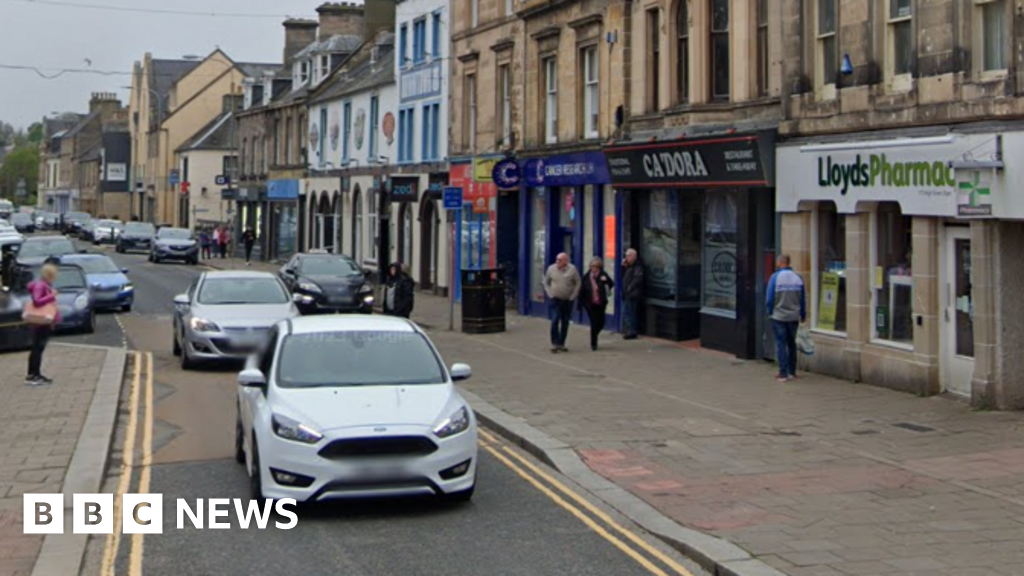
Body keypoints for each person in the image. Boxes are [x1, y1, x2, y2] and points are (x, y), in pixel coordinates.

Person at [766, 254, 806, 382]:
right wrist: (803, 314)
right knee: (791, 344)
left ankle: (783, 373)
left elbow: (770, 298)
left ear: (779, 263)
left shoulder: (775, 277)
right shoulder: (798, 278)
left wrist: (770, 311)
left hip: (779, 316)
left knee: (781, 343)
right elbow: (803, 299)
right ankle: (792, 372)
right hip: (793, 316)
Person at [26, 264, 59, 385]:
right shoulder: (41, 286)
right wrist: (52, 296)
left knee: (38, 348)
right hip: (41, 322)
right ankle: (34, 375)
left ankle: (34, 374)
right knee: (37, 348)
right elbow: (37, 301)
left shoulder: (43, 285)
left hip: (43, 321)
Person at [544, 252, 581, 353]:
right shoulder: (551, 269)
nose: (557, 262)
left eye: (560, 260)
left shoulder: (572, 269)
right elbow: (546, 282)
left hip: (567, 300)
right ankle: (554, 343)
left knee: (565, 321)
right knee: (555, 319)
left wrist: (573, 296)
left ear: (566, 261)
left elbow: (578, 282)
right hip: (555, 299)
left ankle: (561, 343)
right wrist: (549, 294)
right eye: (556, 259)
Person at [578, 256, 615, 351]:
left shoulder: (603, 275)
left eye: (596, 266)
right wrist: (580, 304)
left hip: (601, 302)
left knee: (601, 323)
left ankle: (594, 334)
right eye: (592, 266)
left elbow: (611, 283)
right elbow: (581, 291)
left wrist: (605, 282)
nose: (594, 268)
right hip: (590, 303)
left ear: (599, 267)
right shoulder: (586, 277)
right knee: (594, 323)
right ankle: (593, 344)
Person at [621, 248, 644, 340]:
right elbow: (623, 276)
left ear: (633, 256)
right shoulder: (629, 266)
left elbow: (638, 279)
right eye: (626, 256)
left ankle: (632, 331)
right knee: (627, 312)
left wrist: (630, 287)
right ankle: (629, 330)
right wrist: (623, 267)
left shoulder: (637, 266)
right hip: (627, 293)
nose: (626, 258)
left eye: (628, 256)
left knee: (630, 312)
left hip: (632, 294)